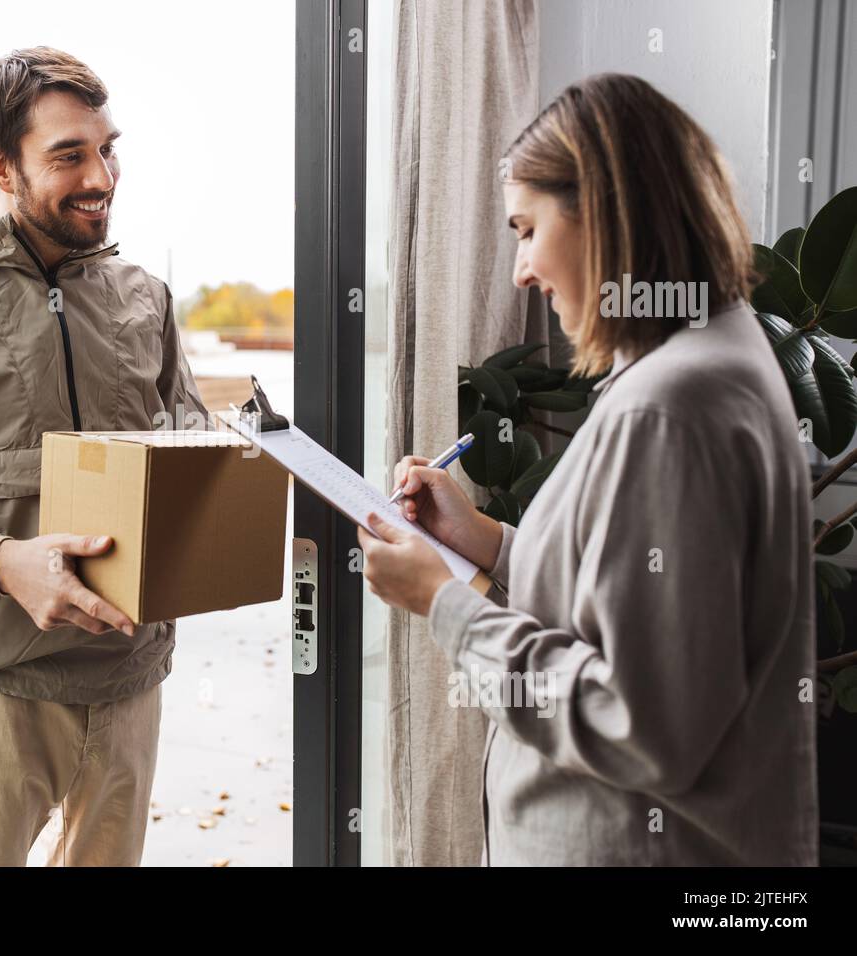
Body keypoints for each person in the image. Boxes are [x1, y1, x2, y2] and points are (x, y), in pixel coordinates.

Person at [359, 73, 818, 865]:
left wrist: (442, 603)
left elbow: (641, 723)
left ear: (604, 216)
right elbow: (633, 596)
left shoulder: (670, 405)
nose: (520, 272)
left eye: (527, 229)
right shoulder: (706, 356)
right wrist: (485, 542)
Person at [0, 46, 207, 866]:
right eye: (68, 155)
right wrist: (0, 561)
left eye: (108, 148)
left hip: (132, 677)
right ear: (0, 167)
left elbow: (191, 453)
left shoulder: (147, 296)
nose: (101, 174)